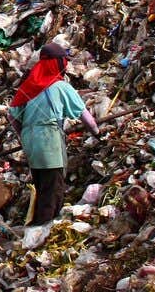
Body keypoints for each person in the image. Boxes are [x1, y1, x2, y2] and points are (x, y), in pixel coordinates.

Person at [9, 76, 99, 224]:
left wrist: (25, 135)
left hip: (30, 141)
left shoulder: (30, 87)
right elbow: (87, 119)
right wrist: (97, 133)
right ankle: (43, 229)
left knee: (42, 186)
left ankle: (37, 224)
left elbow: (12, 115)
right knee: (53, 188)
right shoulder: (60, 86)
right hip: (48, 138)